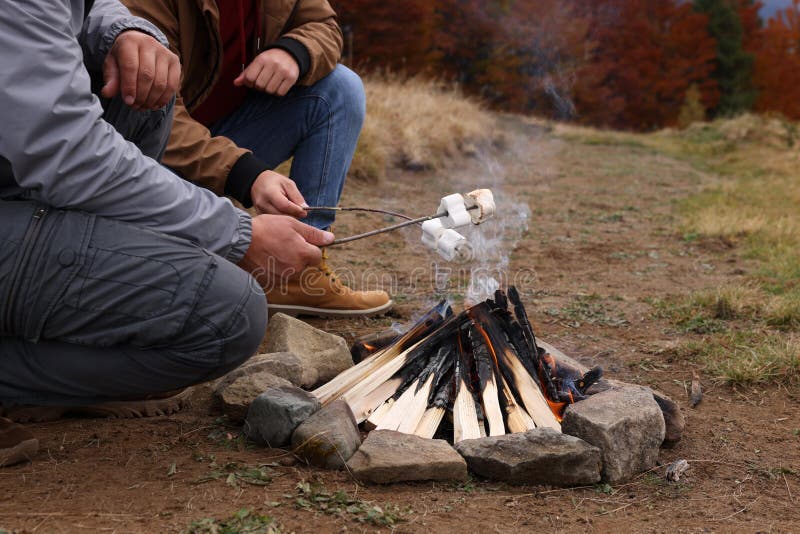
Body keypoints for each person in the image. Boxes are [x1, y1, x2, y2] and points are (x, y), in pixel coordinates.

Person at [0, 0, 329, 466]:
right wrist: (236, 227)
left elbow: (81, 11)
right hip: (53, 164)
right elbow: (68, 153)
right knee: (228, 314)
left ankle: (75, 333)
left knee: (146, 78)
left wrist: (123, 31)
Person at [121, 0, 393, 318]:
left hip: (227, 131)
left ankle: (297, 273)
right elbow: (148, 116)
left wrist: (295, 52)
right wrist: (246, 173)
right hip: (146, 158)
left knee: (339, 89)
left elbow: (324, 24)